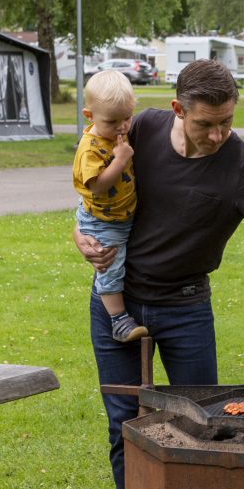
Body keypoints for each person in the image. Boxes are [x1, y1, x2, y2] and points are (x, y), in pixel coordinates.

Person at [74, 59, 244, 489]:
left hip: (185, 309)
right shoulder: (142, 130)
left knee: (203, 427)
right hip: (118, 306)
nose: (217, 135)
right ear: (178, 108)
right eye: (205, 124)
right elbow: (93, 191)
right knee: (124, 427)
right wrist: (80, 237)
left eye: (227, 123)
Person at [72, 69, 149, 346]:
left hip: (115, 214)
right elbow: (98, 186)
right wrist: (121, 159)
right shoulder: (91, 148)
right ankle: (118, 320)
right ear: (89, 116)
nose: (121, 127)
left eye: (127, 118)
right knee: (110, 263)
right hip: (104, 221)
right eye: (112, 121)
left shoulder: (113, 134)